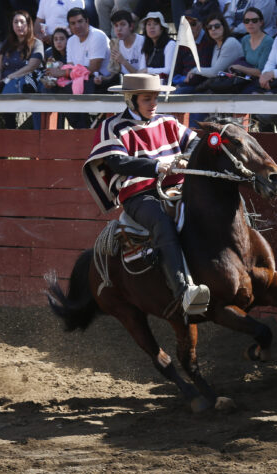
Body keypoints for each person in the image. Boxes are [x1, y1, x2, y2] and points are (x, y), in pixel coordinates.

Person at [83, 73, 210, 315]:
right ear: (131, 100)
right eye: (147, 99)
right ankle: (182, 290)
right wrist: (155, 166)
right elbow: (117, 162)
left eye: (155, 98)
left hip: (179, 187)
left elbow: (195, 143)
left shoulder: (168, 122)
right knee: (162, 223)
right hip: (139, 195)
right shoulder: (112, 126)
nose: (154, 104)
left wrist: (183, 158)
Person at [0, 10, 43, 129]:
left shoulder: (36, 43)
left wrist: (10, 78)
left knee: (9, 87)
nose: (19, 25)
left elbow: (32, 66)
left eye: (22, 22)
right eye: (16, 22)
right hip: (5, 83)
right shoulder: (6, 44)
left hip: (24, 83)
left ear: (28, 24)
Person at [93, 10, 144, 92]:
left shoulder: (142, 42)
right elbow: (114, 75)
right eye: (116, 25)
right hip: (122, 82)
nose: (119, 29)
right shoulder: (116, 44)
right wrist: (102, 78)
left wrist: (123, 61)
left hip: (140, 84)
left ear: (131, 26)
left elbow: (142, 76)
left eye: (123, 24)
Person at [185, 12, 243, 82]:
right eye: (209, 27)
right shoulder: (216, 46)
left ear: (224, 27)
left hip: (239, 86)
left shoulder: (230, 42)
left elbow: (214, 72)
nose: (213, 29)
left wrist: (194, 70)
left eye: (217, 26)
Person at [228, 6, 273, 90]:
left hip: (261, 81)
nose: (250, 23)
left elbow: (261, 71)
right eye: (247, 21)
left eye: (254, 20)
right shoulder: (245, 39)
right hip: (247, 78)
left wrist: (239, 67)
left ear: (261, 22)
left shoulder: (268, 41)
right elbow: (246, 61)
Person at [171, 8, 215, 91]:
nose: (189, 28)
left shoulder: (209, 41)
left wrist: (181, 85)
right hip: (183, 83)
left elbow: (202, 73)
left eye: (193, 24)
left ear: (201, 24)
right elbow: (176, 69)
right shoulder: (181, 42)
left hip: (200, 85)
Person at [139, 11, 175, 80]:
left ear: (162, 28)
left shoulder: (170, 44)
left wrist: (148, 70)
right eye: (149, 24)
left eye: (155, 24)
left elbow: (169, 70)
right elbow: (141, 70)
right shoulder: (146, 46)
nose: (151, 27)